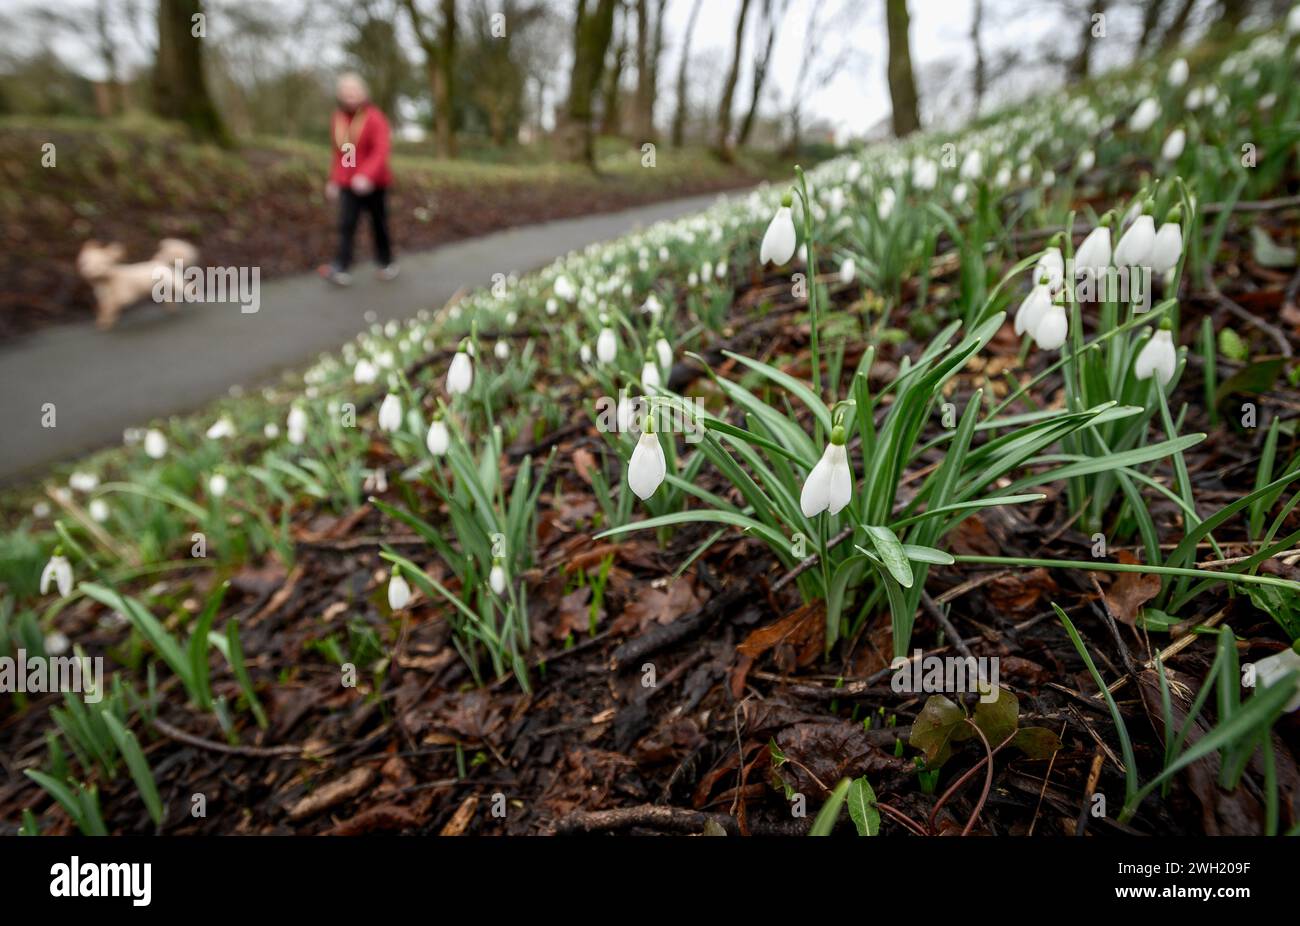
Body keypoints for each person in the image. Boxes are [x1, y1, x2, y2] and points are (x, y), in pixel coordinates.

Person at [320, 73, 397, 286]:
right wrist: (335, 179)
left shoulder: (375, 117)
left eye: (354, 91)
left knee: (378, 224)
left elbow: (381, 150)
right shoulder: (338, 118)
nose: (351, 96)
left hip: (374, 183)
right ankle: (341, 266)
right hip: (348, 183)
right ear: (340, 95)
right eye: (346, 92)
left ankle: (386, 262)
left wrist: (366, 175)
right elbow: (341, 153)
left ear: (364, 92)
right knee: (346, 224)